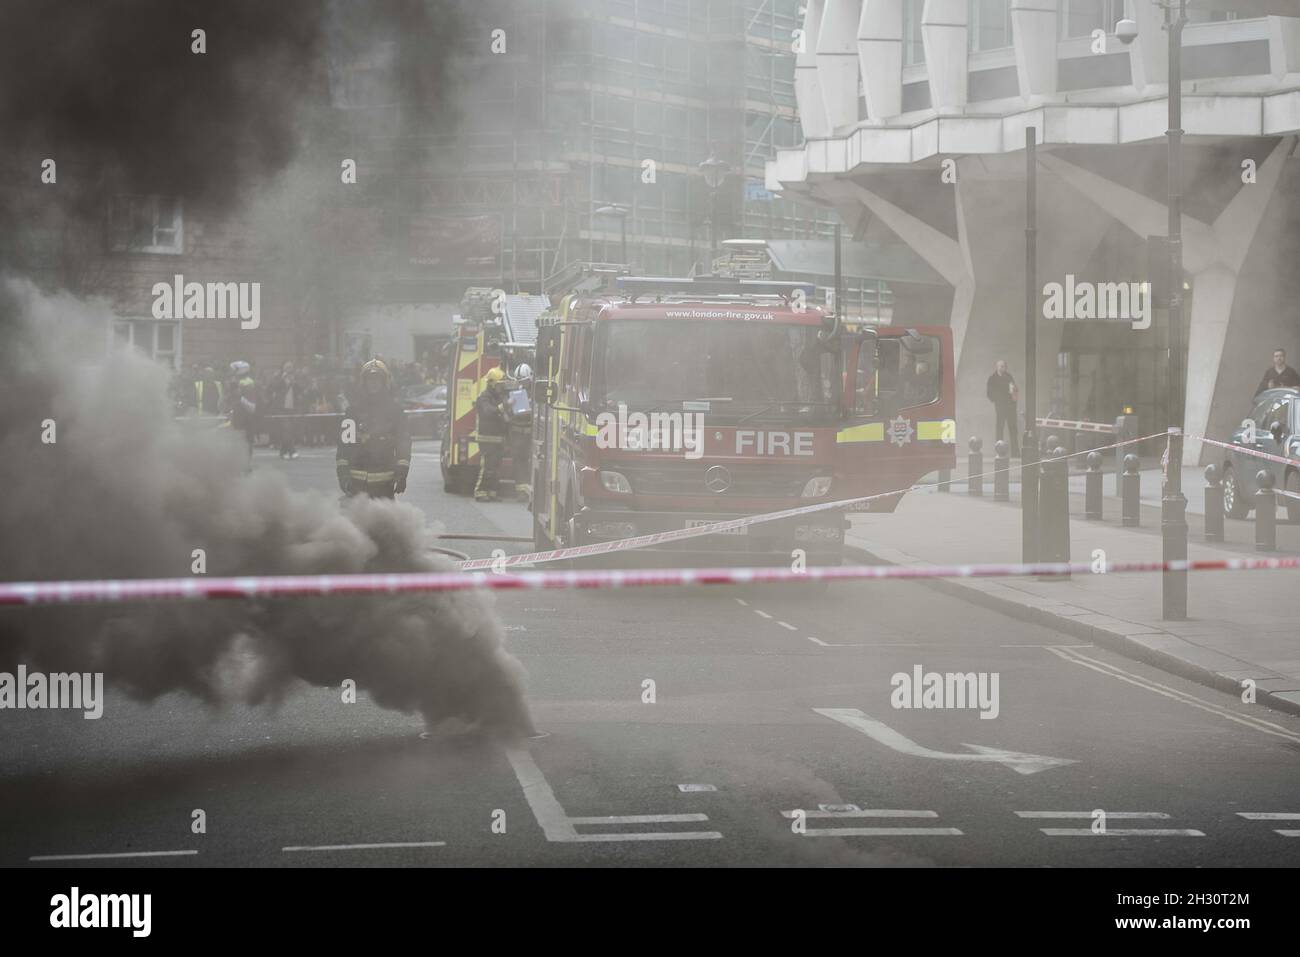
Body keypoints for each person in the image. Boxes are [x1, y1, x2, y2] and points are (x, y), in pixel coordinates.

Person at [336, 359, 410, 499]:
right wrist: (343, 475)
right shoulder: (352, 412)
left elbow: (404, 444)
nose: (373, 383)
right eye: (370, 379)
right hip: (356, 484)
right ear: (364, 382)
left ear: (384, 382)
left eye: (377, 379)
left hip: (384, 485)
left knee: (384, 521)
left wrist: (402, 473)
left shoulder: (395, 411)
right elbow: (344, 447)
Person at [473, 366, 510, 502]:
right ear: (492, 383)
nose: (502, 387)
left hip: (498, 439)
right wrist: (503, 407)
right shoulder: (484, 397)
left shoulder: (499, 397)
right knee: (487, 467)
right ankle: (480, 491)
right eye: (500, 385)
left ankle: (492, 492)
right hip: (487, 439)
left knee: (496, 467)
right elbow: (488, 412)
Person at [986, 359, 1020, 457]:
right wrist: (998, 400)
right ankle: (999, 452)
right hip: (1000, 407)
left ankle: (1015, 453)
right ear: (997, 367)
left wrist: (1014, 396)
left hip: (1011, 408)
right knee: (999, 429)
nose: (1002, 368)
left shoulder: (1009, 377)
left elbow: (1014, 390)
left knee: (1013, 429)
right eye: (1000, 366)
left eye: (1004, 366)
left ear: (1006, 367)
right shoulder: (992, 378)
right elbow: (989, 393)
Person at [270, 360, 301, 459]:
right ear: (283, 368)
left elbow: (299, 390)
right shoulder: (278, 377)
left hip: (291, 407)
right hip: (280, 408)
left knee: (289, 430)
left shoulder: (294, 378)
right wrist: (282, 379)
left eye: (291, 367)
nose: (289, 369)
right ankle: (292, 450)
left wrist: (294, 382)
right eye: (287, 367)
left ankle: (283, 452)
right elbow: (273, 388)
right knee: (286, 428)